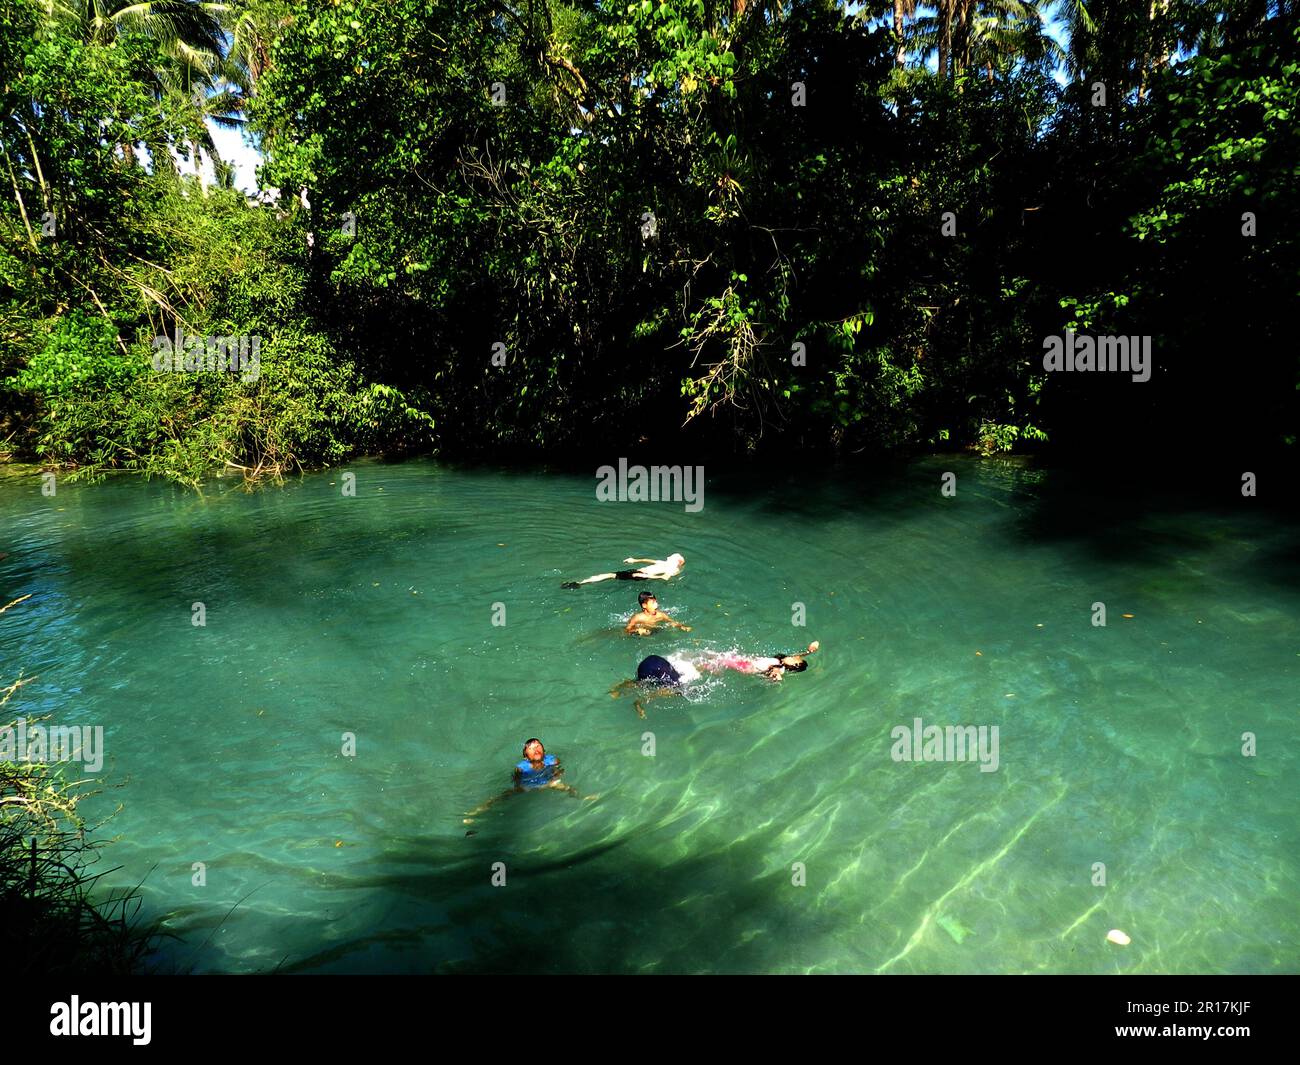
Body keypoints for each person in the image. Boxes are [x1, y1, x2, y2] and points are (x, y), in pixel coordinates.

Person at [463, 739, 581, 823]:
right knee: (499, 798)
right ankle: (475, 813)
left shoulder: (552, 760)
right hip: (526, 786)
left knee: (570, 788)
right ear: (526, 756)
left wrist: (555, 777)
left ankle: (583, 798)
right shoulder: (521, 768)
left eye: (538, 746)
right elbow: (516, 780)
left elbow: (558, 770)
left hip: (548, 782)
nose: (535, 748)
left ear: (544, 751)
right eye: (531, 748)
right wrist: (521, 787)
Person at [609, 653, 699, 717]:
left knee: (639, 682)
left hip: (652, 662)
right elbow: (651, 696)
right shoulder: (674, 687)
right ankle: (616, 689)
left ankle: (616, 689)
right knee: (641, 683)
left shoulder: (683, 676)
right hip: (656, 666)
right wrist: (638, 704)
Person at [699, 641, 821, 682]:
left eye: (795, 658)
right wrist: (809, 651)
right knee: (720, 659)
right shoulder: (782, 660)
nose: (793, 656)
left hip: (747, 666)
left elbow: (776, 673)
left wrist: (776, 677)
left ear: (795, 664)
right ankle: (707, 667)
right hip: (747, 663)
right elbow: (798, 655)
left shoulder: (780, 667)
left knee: (720, 659)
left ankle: (700, 667)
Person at [562, 553, 684, 588]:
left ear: (676, 561)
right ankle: (580, 583)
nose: (668, 557)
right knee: (611, 575)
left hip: (642, 574)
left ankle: (580, 584)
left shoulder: (673, 569)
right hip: (638, 571)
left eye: (671, 557)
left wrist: (645, 576)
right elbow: (649, 560)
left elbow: (664, 578)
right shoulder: (664, 562)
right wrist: (634, 560)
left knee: (611, 575)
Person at [625, 590, 691, 636]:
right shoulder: (638, 617)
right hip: (644, 633)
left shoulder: (660, 614)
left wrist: (681, 626)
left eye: (656, 602)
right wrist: (637, 630)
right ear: (644, 605)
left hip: (657, 630)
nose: (656, 604)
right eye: (653, 603)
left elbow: (671, 621)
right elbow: (627, 630)